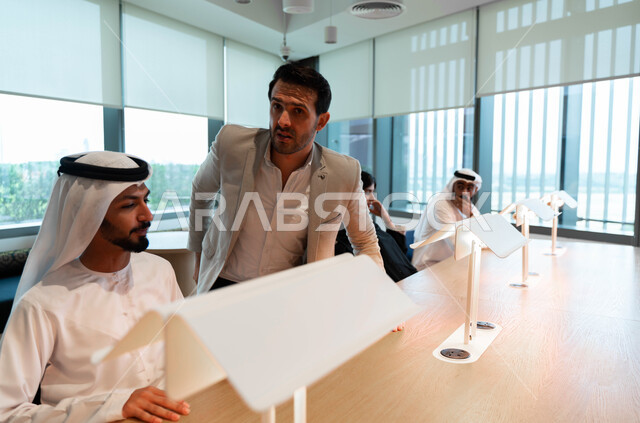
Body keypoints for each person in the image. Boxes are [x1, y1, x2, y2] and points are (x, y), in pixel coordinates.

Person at [0, 152, 189, 423]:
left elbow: (184, 348)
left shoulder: (160, 271)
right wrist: (112, 406)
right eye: (129, 205)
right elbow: (7, 413)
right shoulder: (41, 304)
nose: (147, 215)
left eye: (145, 200)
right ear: (90, 214)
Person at [188, 63, 383, 292]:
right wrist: (199, 256)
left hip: (288, 295)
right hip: (222, 285)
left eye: (298, 111)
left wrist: (380, 296)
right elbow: (201, 193)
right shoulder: (232, 144)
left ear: (321, 121)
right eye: (276, 106)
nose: (282, 121)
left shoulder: (343, 172)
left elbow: (366, 243)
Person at [335, 171, 417, 282]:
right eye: (368, 192)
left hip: (411, 279)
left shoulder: (371, 227)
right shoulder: (346, 237)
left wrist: (386, 218)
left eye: (373, 192)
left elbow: (399, 253)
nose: (373, 198)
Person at [412, 169, 483, 270]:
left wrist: (469, 214)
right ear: (452, 186)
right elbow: (459, 245)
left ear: (475, 191)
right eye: (460, 187)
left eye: (469, 188)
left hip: (453, 261)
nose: (464, 192)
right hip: (429, 265)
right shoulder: (440, 205)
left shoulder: (469, 206)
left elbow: (483, 236)